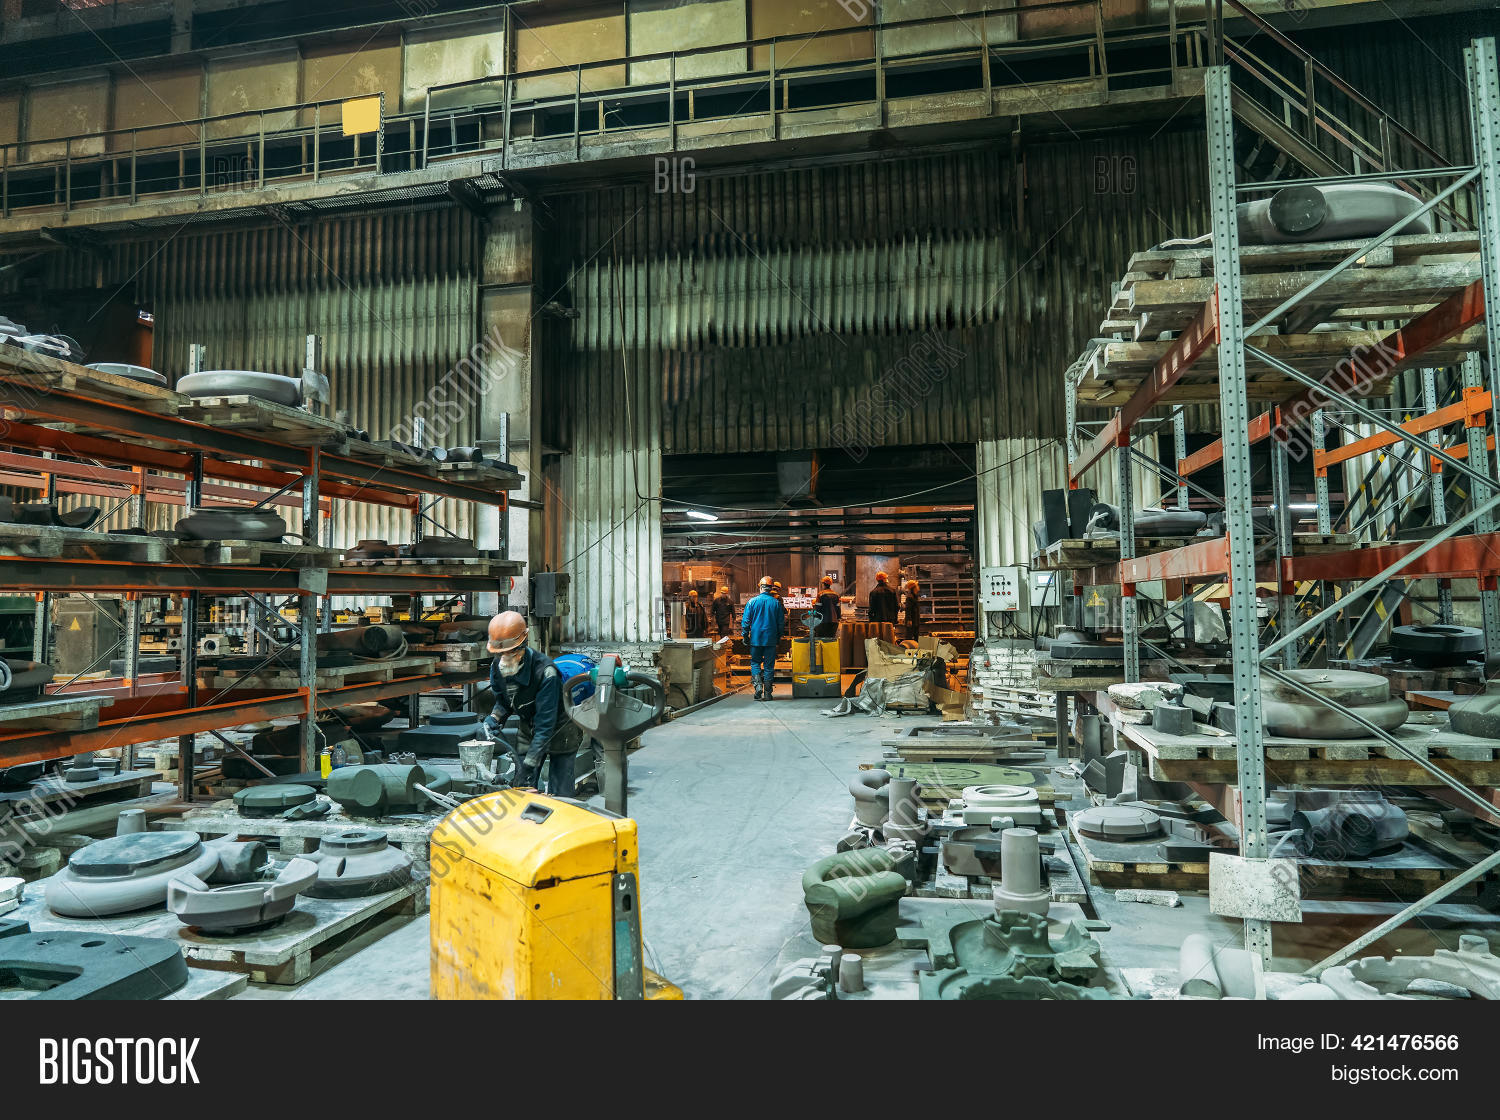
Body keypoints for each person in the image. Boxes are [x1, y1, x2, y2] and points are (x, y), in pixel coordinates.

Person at [482, 610, 581, 796]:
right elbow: (504, 701)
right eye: (500, 653)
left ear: (522, 646)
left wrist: (531, 760)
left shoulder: (545, 673)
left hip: (560, 728)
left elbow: (546, 725)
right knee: (521, 787)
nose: (504, 658)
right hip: (529, 727)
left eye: (509, 652)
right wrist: (495, 717)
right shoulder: (497, 668)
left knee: (561, 793)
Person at [741, 576, 785, 701]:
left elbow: (745, 622)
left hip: (755, 639)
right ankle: (768, 693)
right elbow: (780, 623)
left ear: (760, 587)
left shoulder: (752, 602)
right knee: (769, 666)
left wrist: (745, 635)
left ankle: (758, 686)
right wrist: (779, 637)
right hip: (770, 639)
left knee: (755, 663)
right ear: (771, 588)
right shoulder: (776, 603)